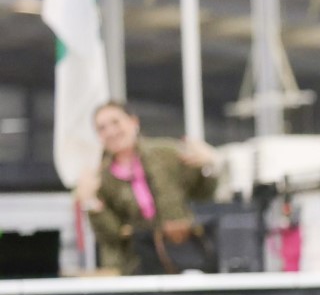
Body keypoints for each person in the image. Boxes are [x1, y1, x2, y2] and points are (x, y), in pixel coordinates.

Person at [74, 101, 220, 274]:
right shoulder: (99, 177)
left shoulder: (167, 154)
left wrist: (208, 166)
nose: (111, 132)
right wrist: (90, 201)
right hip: (134, 266)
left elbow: (203, 195)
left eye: (115, 122)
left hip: (181, 254)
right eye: (102, 128)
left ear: (133, 122)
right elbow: (111, 237)